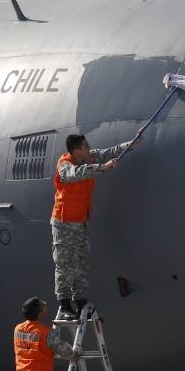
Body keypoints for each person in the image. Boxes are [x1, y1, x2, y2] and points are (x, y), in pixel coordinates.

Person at [51, 133, 138, 321]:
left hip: (81, 222)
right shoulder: (65, 165)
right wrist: (103, 168)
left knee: (81, 262)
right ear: (76, 150)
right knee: (65, 263)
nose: (89, 148)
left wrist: (131, 144)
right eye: (85, 146)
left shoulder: (87, 158)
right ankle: (65, 304)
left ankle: (81, 302)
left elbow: (109, 152)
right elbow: (76, 174)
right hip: (64, 223)